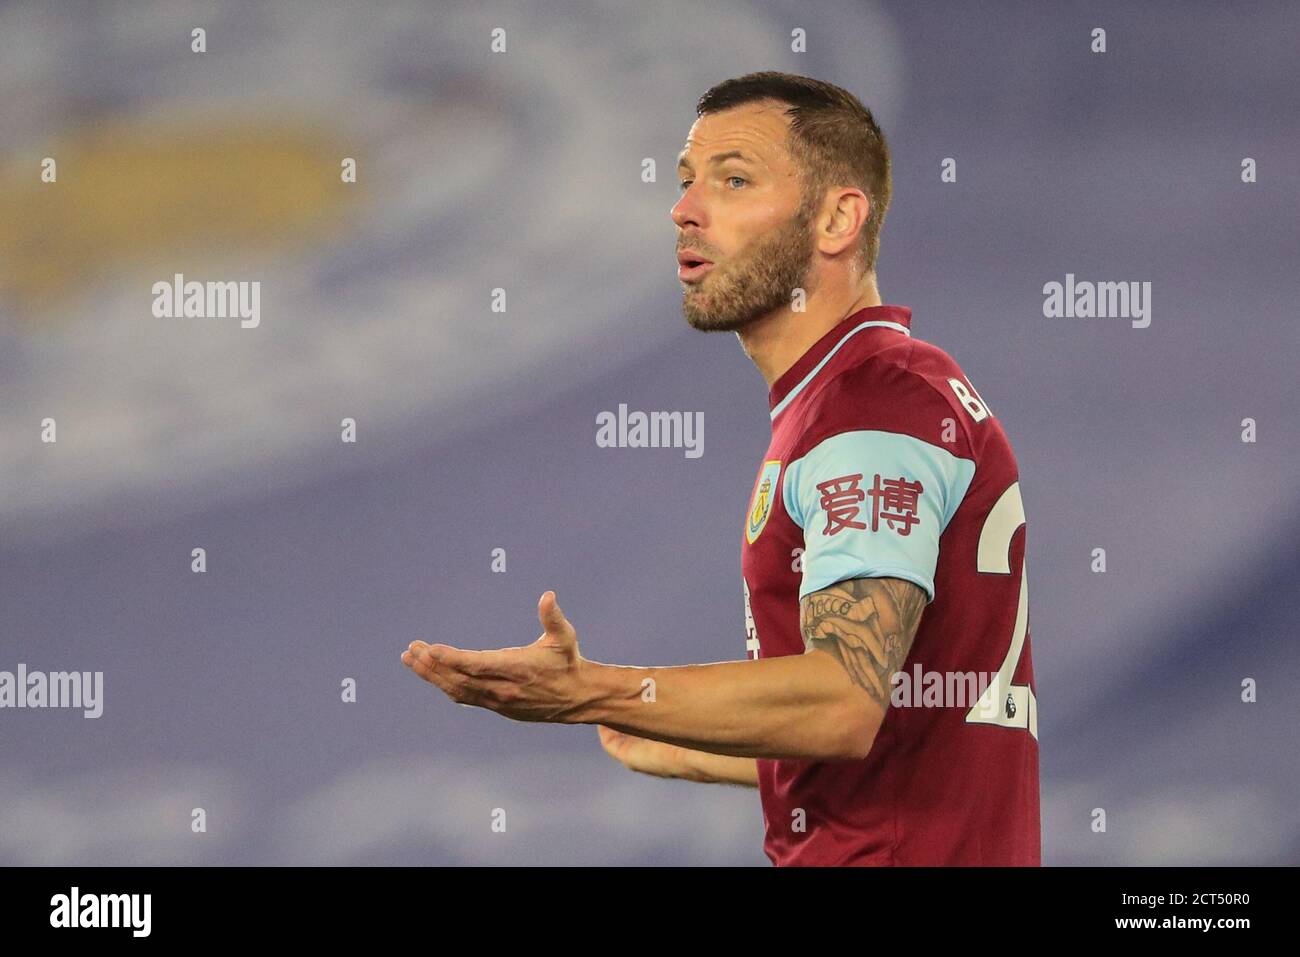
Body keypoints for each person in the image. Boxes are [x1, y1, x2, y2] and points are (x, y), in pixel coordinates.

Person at [402, 71, 1039, 866]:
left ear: (838, 218)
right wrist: (651, 725)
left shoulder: (873, 408)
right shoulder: (864, 392)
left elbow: (842, 702)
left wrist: (597, 688)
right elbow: (905, 725)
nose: (684, 210)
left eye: (733, 180)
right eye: (686, 182)